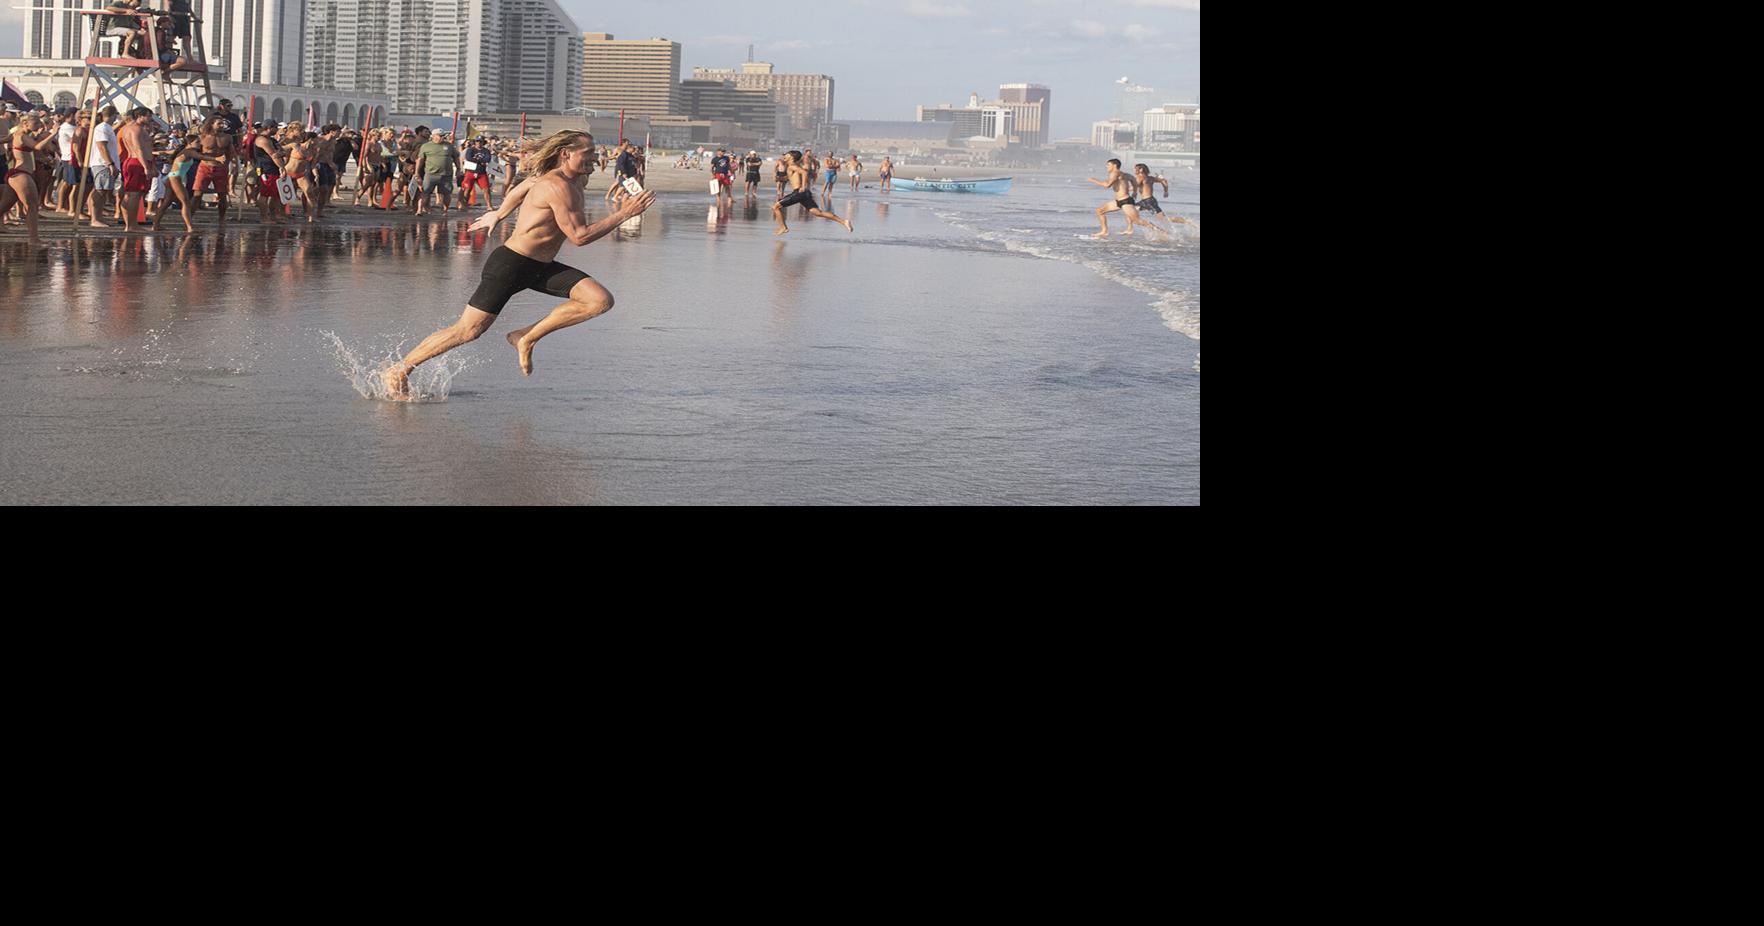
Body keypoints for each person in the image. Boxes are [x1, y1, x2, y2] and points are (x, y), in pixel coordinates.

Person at [383, 131, 657, 399]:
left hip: (540, 266)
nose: (594, 158)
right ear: (566, 154)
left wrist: (498, 214)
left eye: (593, 152)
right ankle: (400, 370)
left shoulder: (576, 179)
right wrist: (624, 213)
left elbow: (521, 187)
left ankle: (525, 337)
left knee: (598, 300)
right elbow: (579, 236)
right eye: (587, 153)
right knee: (467, 331)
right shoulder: (556, 185)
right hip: (511, 264)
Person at [771, 149, 851, 236]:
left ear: (791, 157)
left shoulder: (792, 166)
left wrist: (803, 186)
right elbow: (791, 178)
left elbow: (804, 172)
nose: (784, 156)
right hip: (804, 193)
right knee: (817, 212)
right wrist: (780, 179)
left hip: (799, 192)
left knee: (776, 207)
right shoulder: (792, 166)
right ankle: (844, 222)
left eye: (786, 155)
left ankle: (783, 227)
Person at [1087, 158, 1150, 238]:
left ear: (1115, 165)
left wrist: (1094, 180)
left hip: (1125, 201)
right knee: (1099, 210)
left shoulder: (1115, 173)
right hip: (1119, 201)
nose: (1107, 167)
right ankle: (1104, 231)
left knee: (1137, 221)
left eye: (1108, 165)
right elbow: (1133, 180)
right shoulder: (1124, 174)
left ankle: (1160, 230)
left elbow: (1107, 185)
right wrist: (1134, 192)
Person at [118, 107, 156, 232]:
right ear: (140, 116)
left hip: (135, 161)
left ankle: (129, 223)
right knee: (134, 194)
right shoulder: (135, 129)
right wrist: (146, 166)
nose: (150, 119)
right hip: (137, 162)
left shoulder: (130, 128)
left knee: (130, 194)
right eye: (148, 116)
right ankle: (131, 225)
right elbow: (138, 148)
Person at [415, 129, 458, 216]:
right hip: (430, 174)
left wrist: (459, 168)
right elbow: (420, 159)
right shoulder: (426, 146)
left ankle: (445, 210)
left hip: (446, 174)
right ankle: (419, 210)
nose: (442, 137)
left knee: (447, 193)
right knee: (425, 192)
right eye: (440, 135)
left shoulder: (449, 146)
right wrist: (417, 173)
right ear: (433, 136)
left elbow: (456, 157)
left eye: (443, 136)